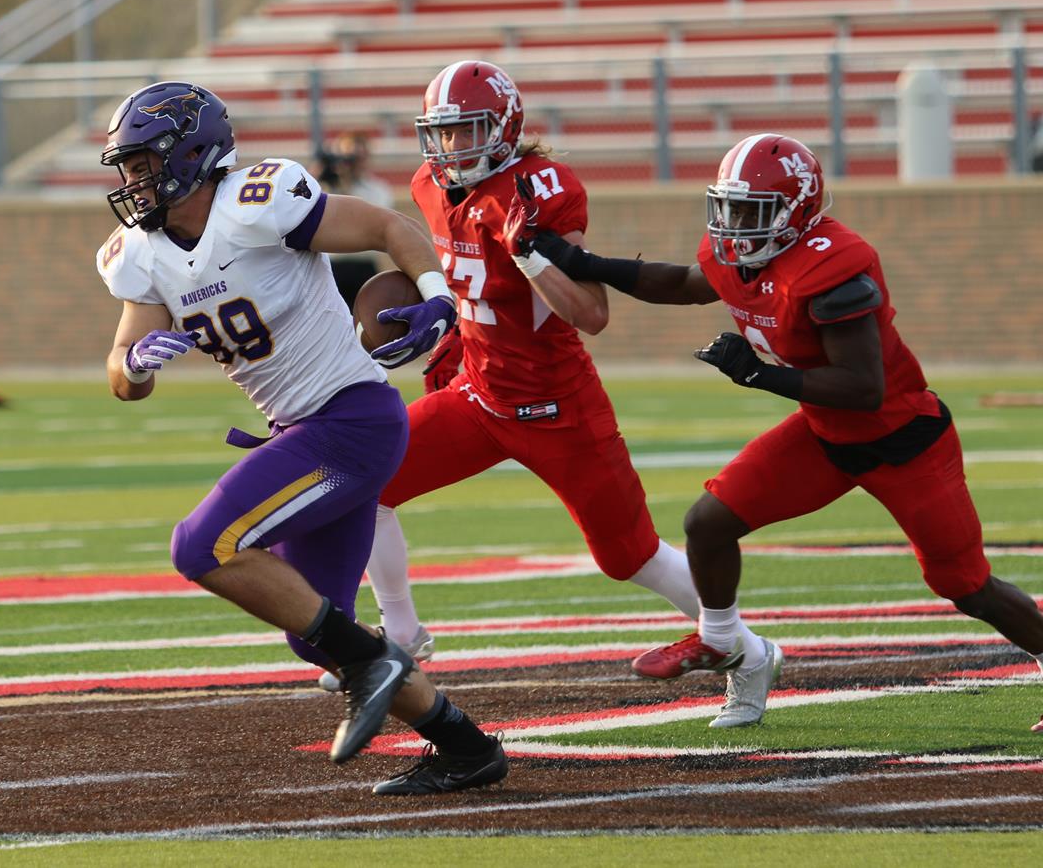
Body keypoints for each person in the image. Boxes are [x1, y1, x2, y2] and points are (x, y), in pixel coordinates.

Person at [524, 132, 1043, 731]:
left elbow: (862, 387)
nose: (735, 223)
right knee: (708, 522)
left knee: (965, 584)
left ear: (796, 210)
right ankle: (722, 640)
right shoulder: (744, 254)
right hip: (826, 435)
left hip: (902, 441)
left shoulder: (834, 267)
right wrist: (582, 264)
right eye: (730, 206)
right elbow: (684, 284)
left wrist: (762, 376)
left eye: (752, 211)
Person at [97, 80, 511, 794]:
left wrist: (441, 296)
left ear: (190, 153)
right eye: (125, 168)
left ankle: (376, 664)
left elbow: (385, 227)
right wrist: (132, 364)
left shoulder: (256, 204)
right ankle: (466, 745)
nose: (132, 181)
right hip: (304, 430)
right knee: (312, 624)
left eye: (142, 163)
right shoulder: (143, 251)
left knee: (201, 545)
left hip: (350, 418)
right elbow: (122, 371)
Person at [323, 60, 716, 715]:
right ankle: (401, 636)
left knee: (632, 556)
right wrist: (444, 328)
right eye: (441, 134)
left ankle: (740, 641)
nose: (451, 150)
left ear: (503, 128)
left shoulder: (542, 191)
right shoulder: (430, 186)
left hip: (558, 405)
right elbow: (458, 278)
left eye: (466, 132)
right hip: (481, 394)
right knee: (365, 485)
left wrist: (530, 252)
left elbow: (591, 313)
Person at [315, 133, 395, 310]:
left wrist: (349, 184)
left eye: (356, 156)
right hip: (331, 268)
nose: (351, 162)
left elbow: (370, 224)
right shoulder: (323, 186)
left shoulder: (378, 189)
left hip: (364, 266)